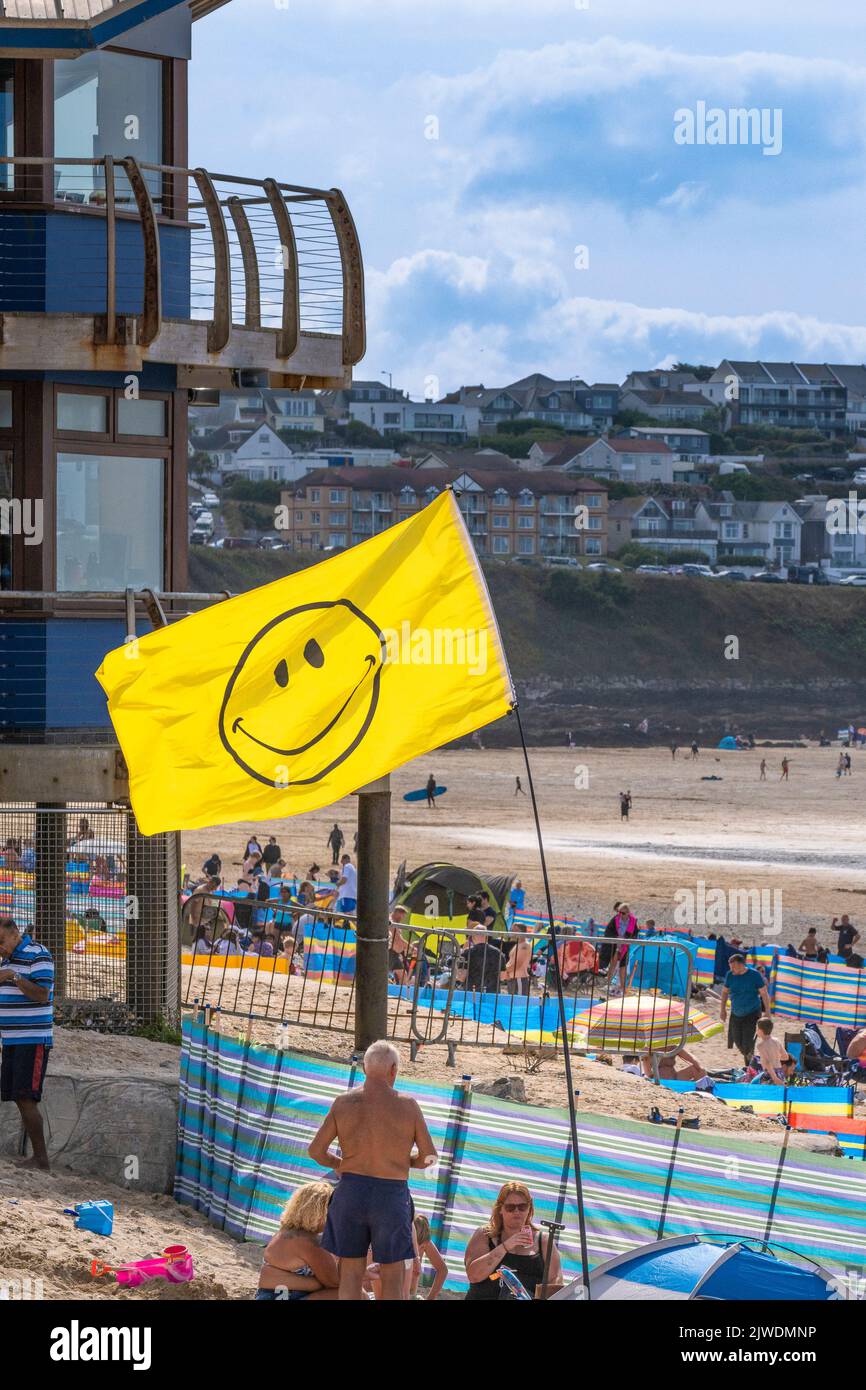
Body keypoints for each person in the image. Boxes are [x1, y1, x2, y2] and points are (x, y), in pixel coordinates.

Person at [308, 1039, 437, 1300]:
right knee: (392, 1278)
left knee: (351, 1275)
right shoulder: (408, 1105)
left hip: (351, 1192)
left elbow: (316, 1151)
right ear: (393, 1070)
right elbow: (429, 1157)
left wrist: (340, 1165)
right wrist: (405, 1160)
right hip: (390, 1195)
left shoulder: (343, 1102)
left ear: (365, 1069)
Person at [0, 916, 54, 1171]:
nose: (0, 948)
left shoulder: (38, 954)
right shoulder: (6, 960)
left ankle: (41, 1159)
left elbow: (43, 995)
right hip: (12, 1038)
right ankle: (37, 1158)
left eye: (1, 942)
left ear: (14, 934)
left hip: (32, 1038)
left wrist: (14, 978)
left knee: (26, 1096)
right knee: (18, 1096)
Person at [464, 1181, 562, 1300]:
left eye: (522, 1207)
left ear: (529, 1208)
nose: (517, 1212)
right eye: (510, 1207)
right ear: (500, 1209)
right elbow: (473, 1276)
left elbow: (555, 1283)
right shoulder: (485, 1234)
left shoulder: (543, 1241)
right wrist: (506, 1246)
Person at [256, 1181, 340, 1300]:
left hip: (268, 1296)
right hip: (288, 1296)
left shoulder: (283, 1233)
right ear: (322, 1212)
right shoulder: (309, 1243)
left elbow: (266, 1277)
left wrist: (313, 1284)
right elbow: (334, 1283)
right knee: (354, 1294)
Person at [720, 953, 771, 1063]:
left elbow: (764, 993)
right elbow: (724, 992)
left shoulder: (755, 975)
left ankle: (750, 1066)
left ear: (741, 965)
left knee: (748, 1042)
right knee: (737, 1041)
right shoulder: (730, 975)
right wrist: (722, 1009)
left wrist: (767, 1011)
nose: (732, 970)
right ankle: (753, 1060)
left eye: (733, 967)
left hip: (752, 1012)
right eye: (730, 967)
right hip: (735, 1012)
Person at [408, 1214, 448, 1300]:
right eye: (421, 1246)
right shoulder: (397, 1245)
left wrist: (431, 1297)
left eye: (423, 1247)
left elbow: (443, 1270)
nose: (421, 1249)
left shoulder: (425, 1242)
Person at [456, 926, 504, 994]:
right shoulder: (498, 953)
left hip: (472, 992)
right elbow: (503, 976)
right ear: (487, 936)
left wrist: (456, 972)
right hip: (493, 993)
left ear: (473, 937)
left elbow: (462, 977)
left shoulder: (467, 953)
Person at [753, 1016, 794, 1084]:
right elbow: (785, 1057)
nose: (756, 1031)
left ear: (760, 1030)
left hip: (770, 1074)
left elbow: (767, 1063)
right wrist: (775, 1057)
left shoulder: (761, 1045)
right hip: (779, 1072)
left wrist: (775, 1078)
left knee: (754, 1085)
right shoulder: (776, 1041)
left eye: (757, 1029)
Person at [642, 1048, 709, 1085]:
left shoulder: (673, 1047)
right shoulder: (648, 1048)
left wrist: (699, 1067)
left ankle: (698, 1089)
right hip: (657, 1080)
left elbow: (691, 1058)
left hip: (675, 1077)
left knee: (701, 1070)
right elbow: (648, 1073)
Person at [501, 922, 532, 996]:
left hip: (519, 978)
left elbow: (517, 964)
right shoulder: (518, 944)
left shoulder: (525, 945)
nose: (512, 932)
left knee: (519, 1003)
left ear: (521, 932)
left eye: (514, 930)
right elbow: (512, 962)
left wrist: (503, 970)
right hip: (513, 978)